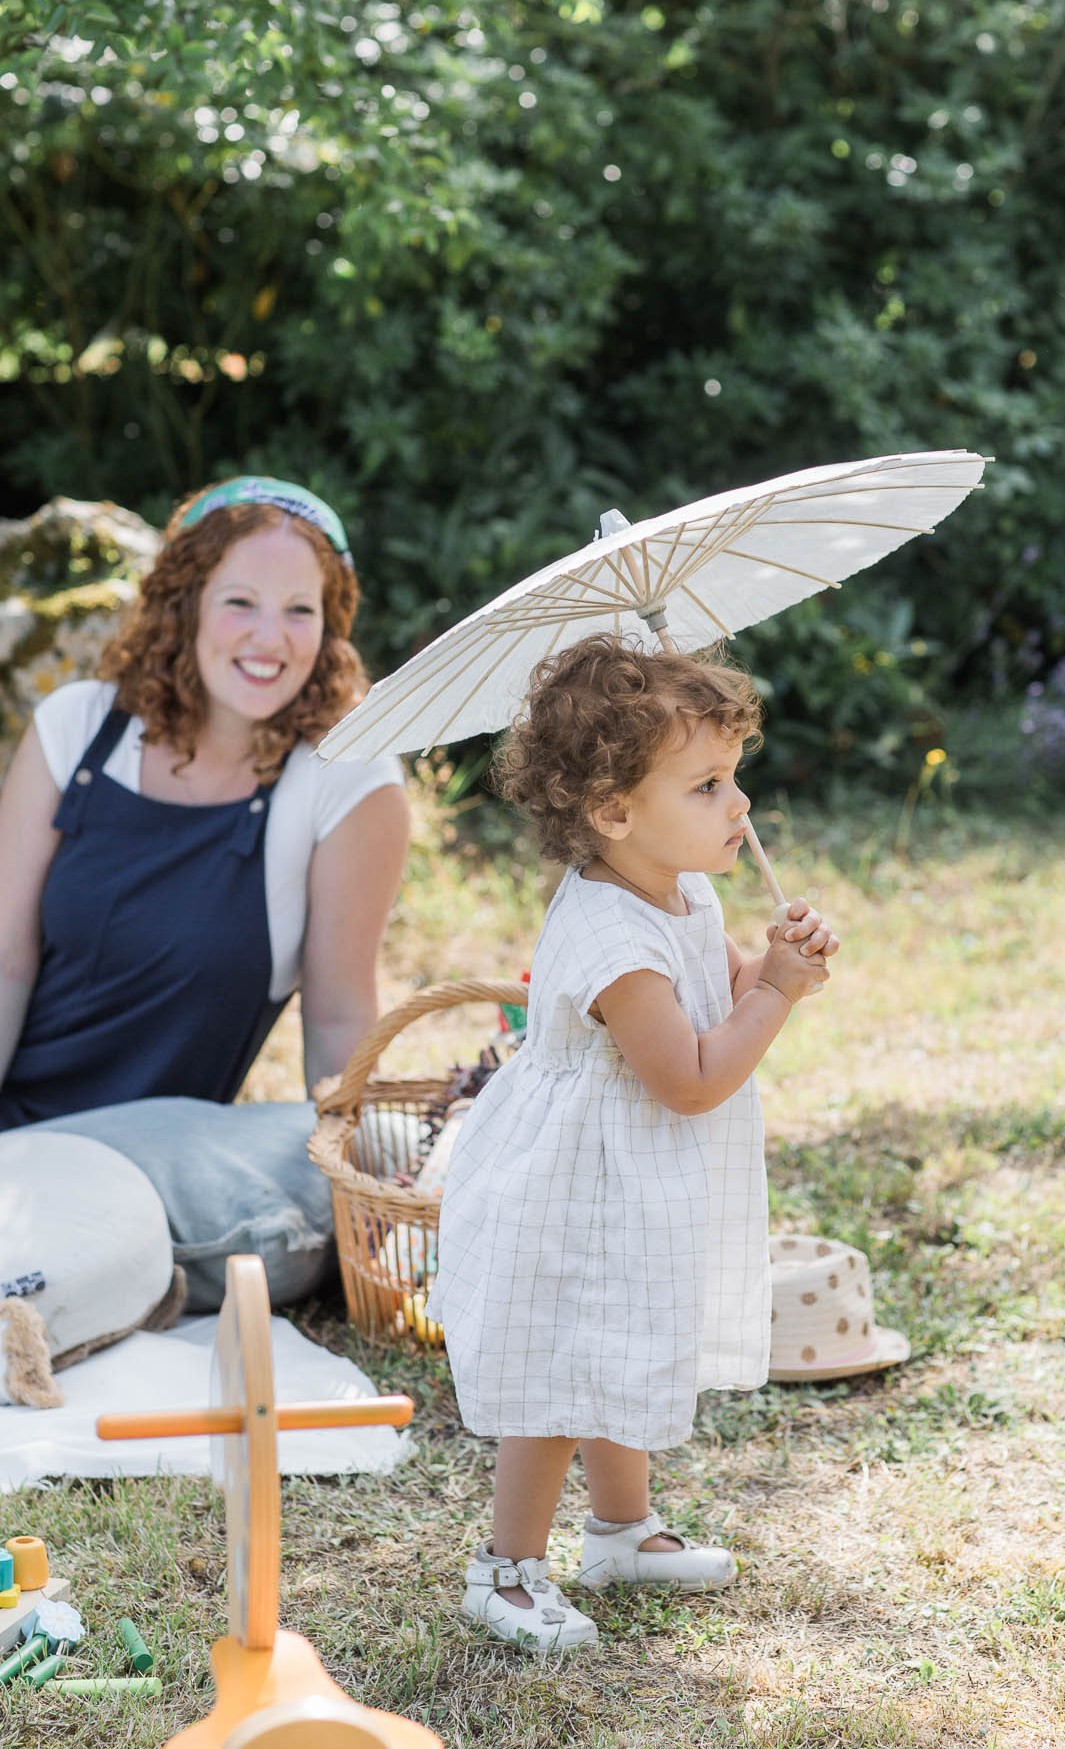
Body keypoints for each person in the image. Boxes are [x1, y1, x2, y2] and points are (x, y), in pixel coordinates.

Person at [425, 632, 838, 1653]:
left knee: (627, 1349)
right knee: (562, 1373)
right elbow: (691, 1078)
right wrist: (777, 996)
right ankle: (506, 1571)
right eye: (704, 785)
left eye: (732, 776)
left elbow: (720, 996)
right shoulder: (611, 938)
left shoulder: (680, 885)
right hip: (578, 1186)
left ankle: (618, 1532)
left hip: (633, 1176)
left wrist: (771, 969)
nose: (737, 805)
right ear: (612, 812)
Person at [0, 475, 410, 1130]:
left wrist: (358, 1195)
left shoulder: (345, 781)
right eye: (241, 602)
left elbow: (338, 1021)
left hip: (166, 1179)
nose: (270, 638)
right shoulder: (75, 728)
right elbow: (6, 963)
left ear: (330, 625)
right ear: (183, 603)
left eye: (300, 610)